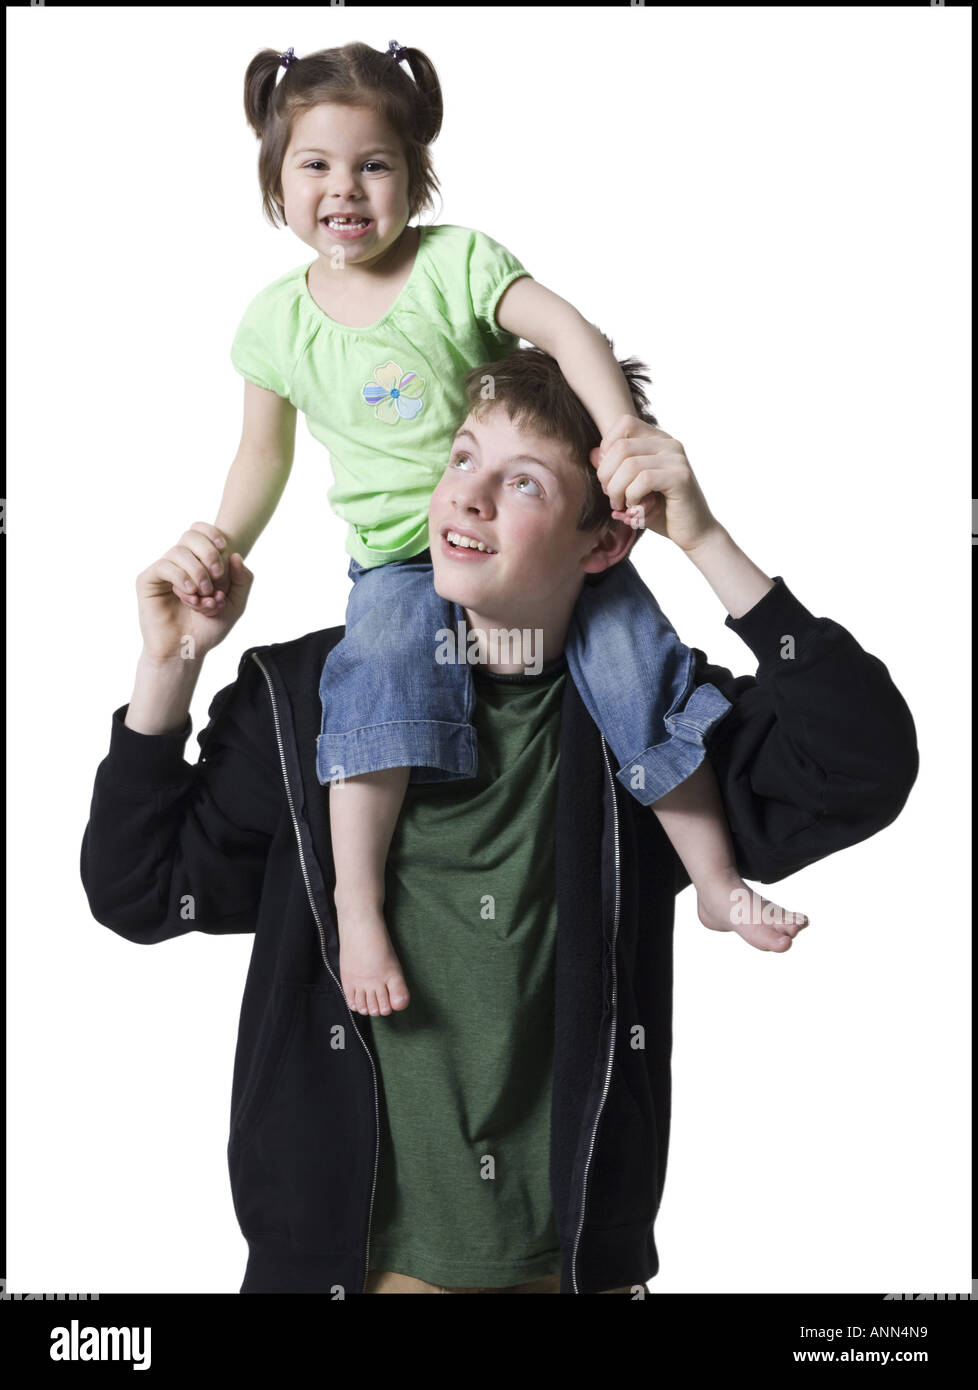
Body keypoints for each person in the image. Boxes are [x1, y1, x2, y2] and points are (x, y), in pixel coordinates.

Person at [79, 351, 918, 1295]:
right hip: (340, 1272)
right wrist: (169, 671)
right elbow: (141, 890)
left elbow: (863, 764)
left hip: (567, 1273)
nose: (469, 498)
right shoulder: (310, 701)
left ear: (602, 544)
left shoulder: (650, 725)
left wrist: (708, 540)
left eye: (522, 482)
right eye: (461, 459)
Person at [184, 37, 804, 1021]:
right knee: (379, 670)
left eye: (373, 164)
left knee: (637, 661)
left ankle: (717, 882)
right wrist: (223, 539)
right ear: (276, 182)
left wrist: (622, 435)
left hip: (526, 548)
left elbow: (570, 335)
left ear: (414, 175)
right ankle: (357, 903)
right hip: (399, 554)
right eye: (315, 165)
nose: (344, 188)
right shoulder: (274, 324)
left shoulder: (457, 263)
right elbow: (264, 454)